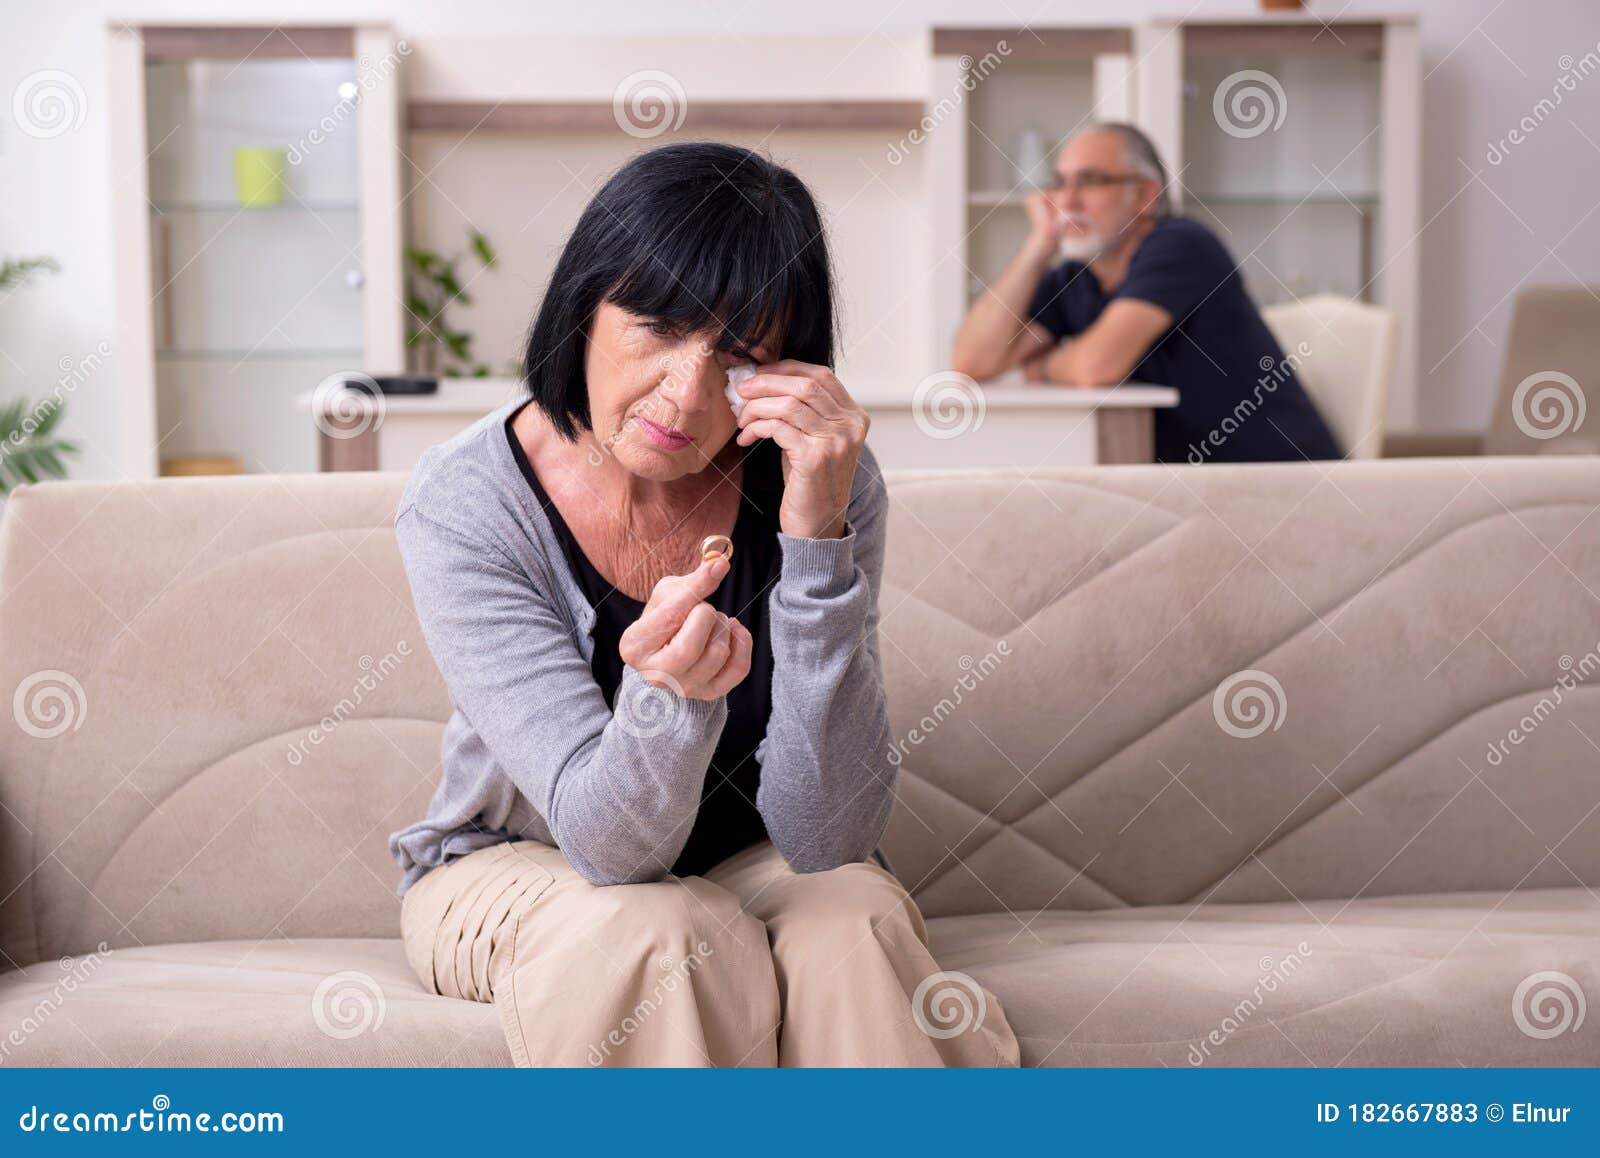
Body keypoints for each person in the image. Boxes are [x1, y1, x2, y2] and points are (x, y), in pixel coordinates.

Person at [388, 141, 1020, 1068]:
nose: (685, 394)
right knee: (659, 931)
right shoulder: (469, 502)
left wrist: (816, 540)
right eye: (655, 325)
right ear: (584, 307)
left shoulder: (822, 477)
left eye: (740, 355)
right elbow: (606, 846)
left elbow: (827, 837)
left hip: (751, 861)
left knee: (853, 915)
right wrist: (669, 698)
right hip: (520, 865)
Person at [952, 122, 1340, 464]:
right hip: (1192, 487)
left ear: (1144, 196)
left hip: (1280, 484)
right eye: (1059, 183)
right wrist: (1037, 245)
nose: (1066, 201)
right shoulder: (1076, 276)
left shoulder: (1182, 245)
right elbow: (972, 362)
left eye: (1090, 181)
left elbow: (1095, 368)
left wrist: (1046, 365)